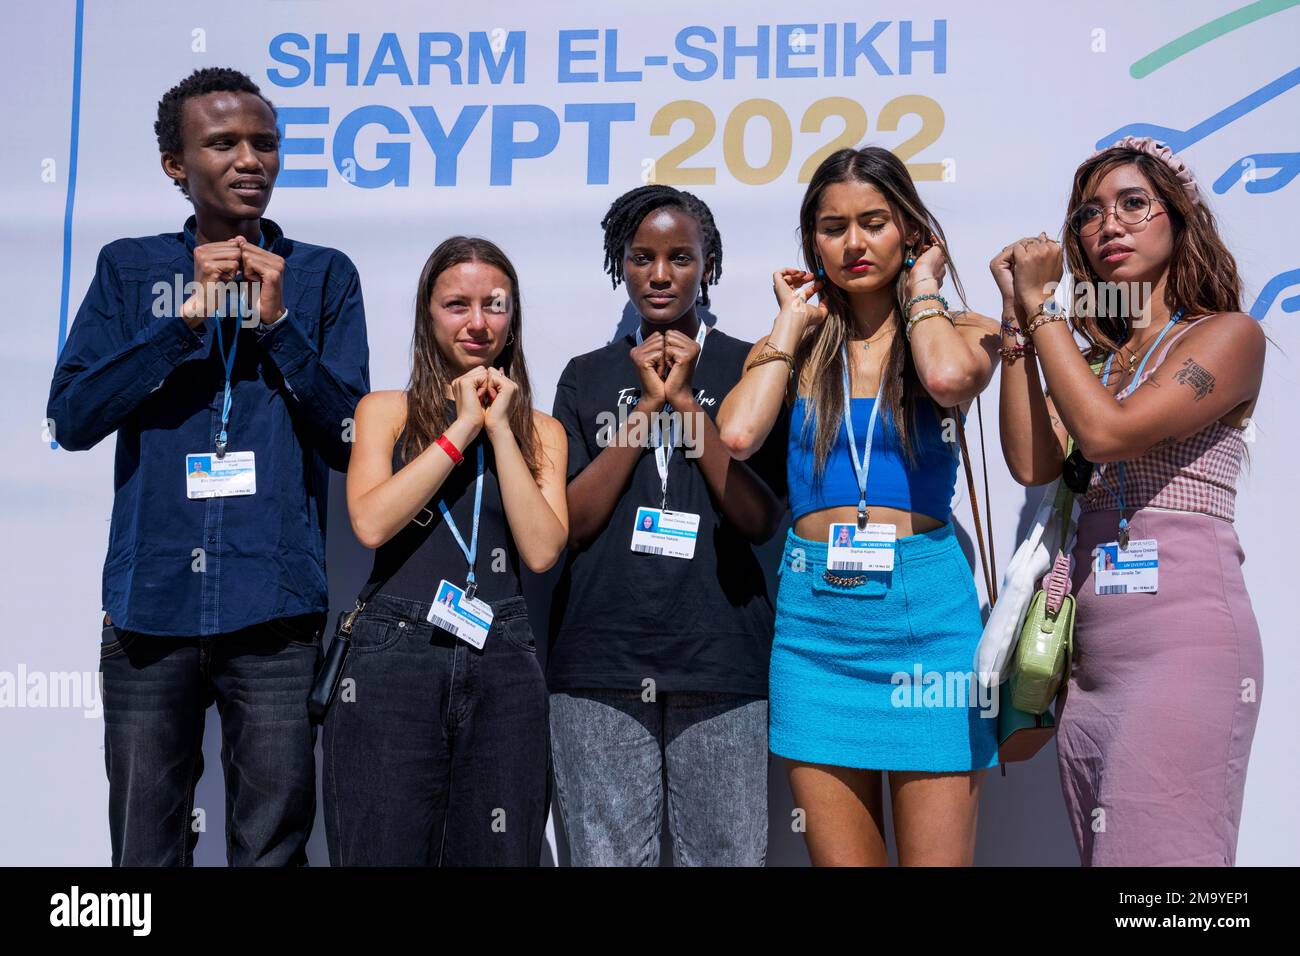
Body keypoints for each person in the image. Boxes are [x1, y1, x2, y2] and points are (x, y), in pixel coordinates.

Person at [46, 67, 369, 866]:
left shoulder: (322, 274)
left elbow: (352, 437)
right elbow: (73, 417)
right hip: (150, 604)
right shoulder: (130, 269)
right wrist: (182, 326)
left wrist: (281, 327)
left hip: (275, 608)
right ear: (175, 166)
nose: (250, 159)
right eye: (223, 143)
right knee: (144, 851)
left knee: (271, 847)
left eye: (264, 143)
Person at [718, 146, 1002, 866]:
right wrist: (788, 323)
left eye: (873, 222)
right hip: (817, 628)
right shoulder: (798, 344)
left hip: (926, 620)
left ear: (909, 228)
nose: (853, 243)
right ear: (811, 240)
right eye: (832, 226)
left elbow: (944, 378)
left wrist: (923, 287)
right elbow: (738, 433)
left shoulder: (959, 328)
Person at [993, 136, 1265, 866]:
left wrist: (1046, 309)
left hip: (1181, 653)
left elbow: (1107, 434)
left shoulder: (1229, 337)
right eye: (1090, 213)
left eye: (1133, 204)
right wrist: (1020, 320)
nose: (1109, 224)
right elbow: (1029, 462)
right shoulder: (1092, 360)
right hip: (1088, 666)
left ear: (1179, 220)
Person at [549, 184, 788, 866]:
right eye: (642, 256)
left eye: (680, 257)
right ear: (618, 264)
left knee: (725, 857)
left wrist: (685, 404)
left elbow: (759, 517)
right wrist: (643, 411)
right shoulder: (586, 375)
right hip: (601, 658)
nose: (660, 274)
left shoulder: (754, 366)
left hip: (721, 655)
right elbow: (574, 522)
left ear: (708, 265)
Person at [325, 236, 568, 866]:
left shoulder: (542, 430)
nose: (478, 322)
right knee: (381, 849)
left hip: (503, 654)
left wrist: (499, 431)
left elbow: (542, 551)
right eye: (456, 305)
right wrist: (461, 426)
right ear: (428, 315)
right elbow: (372, 523)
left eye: (494, 304)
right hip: (393, 651)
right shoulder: (385, 412)